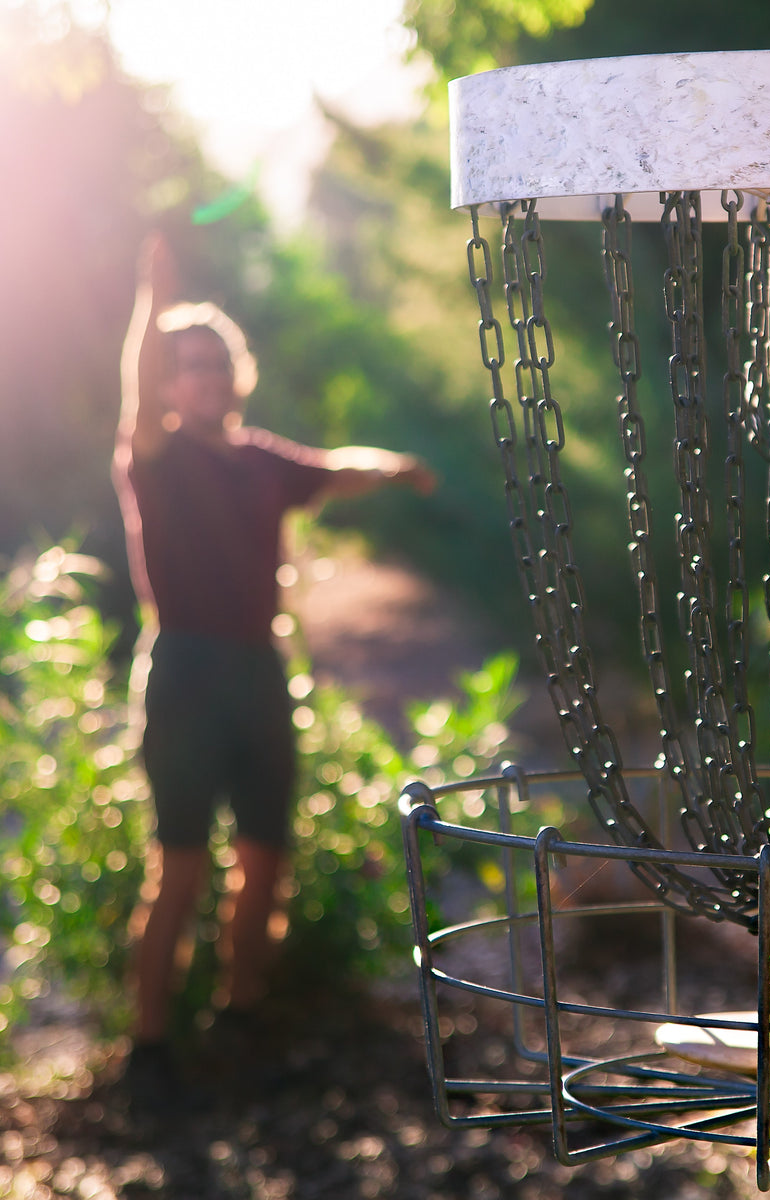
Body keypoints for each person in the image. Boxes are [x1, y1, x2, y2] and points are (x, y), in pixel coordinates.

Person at [113, 234, 436, 1106]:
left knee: (265, 856)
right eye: (187, 366)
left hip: (260, 674)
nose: (203, 378)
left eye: (215, 363)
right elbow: (136, 386)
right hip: (184, 673)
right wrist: (157, 293)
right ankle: (148, 1049)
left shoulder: (261, 461)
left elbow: (335, 470)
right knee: (179, 865)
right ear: (169, 381)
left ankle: (242, 1014)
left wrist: (398, 469)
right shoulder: (154, 456)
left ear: (236, 374)